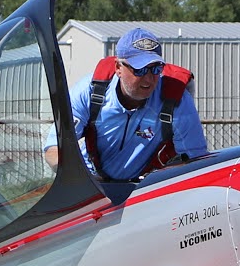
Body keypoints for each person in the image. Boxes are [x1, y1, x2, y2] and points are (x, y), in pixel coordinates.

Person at [46, 27, 208, 180]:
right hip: (91, 183)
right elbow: (54, 149)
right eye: (140, 69)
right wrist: (81, 178)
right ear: (118, 67)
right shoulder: (89, 92)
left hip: (144, 189)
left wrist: (156, 180)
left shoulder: (176, 100)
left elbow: (195, 161)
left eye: (156, 69)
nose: (149, 79)